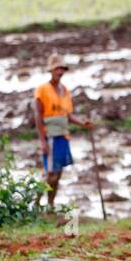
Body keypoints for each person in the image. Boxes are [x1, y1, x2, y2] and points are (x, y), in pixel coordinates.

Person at [33, 55, 93, 210]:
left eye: (62, 69)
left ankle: (51, 205)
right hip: (50, 136)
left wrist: (82, 124)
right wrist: (43, 141)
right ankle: (36, 203)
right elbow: (38, 116)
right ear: (51, 70)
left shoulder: (64, 90)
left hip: (63, 136)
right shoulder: (42, 90)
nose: (60, 71)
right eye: (57, 68)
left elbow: (68, 115)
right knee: (50, 174)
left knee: (58, 173)